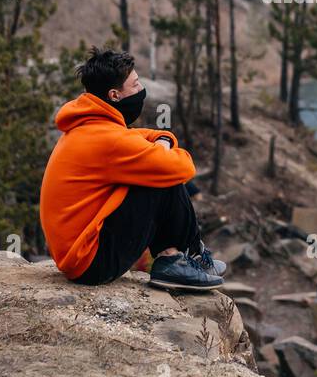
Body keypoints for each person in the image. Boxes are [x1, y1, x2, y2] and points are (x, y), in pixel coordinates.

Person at [39, 47, 225, 290]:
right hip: (91, 262)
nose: (141, 91)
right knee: (162, 177)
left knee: (154, 168)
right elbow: (182, 169)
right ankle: (180, 259)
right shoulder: (108, 141)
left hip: (78, 255)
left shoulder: (89, 127)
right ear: (115, 95)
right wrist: (164, 148)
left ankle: (182, 257)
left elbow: (138, 135)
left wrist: (163, 139)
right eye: (136, 85)